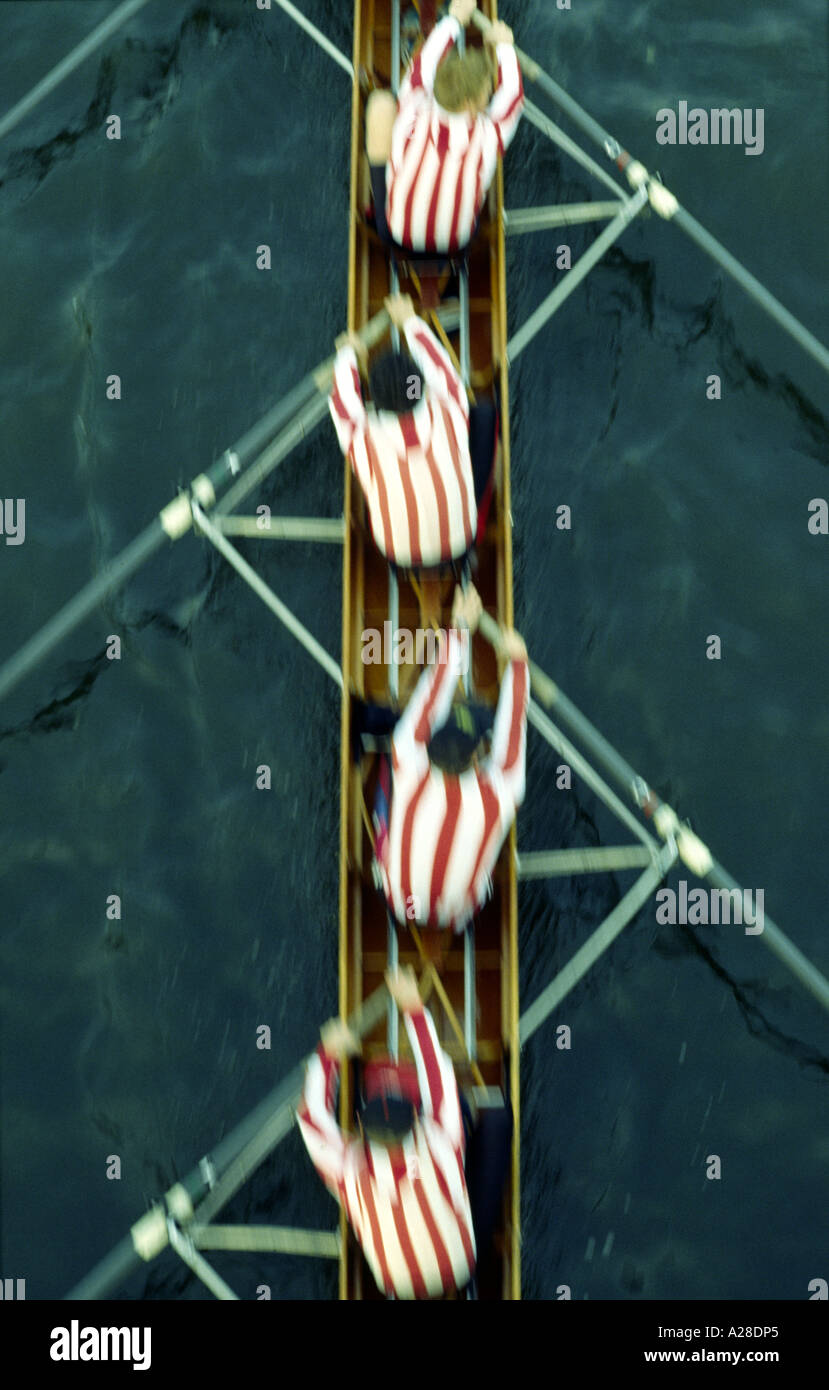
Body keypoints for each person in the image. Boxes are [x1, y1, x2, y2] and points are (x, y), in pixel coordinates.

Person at [296, 966, 476, 1300]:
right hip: (461, 1265)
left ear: (362, 1125)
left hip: (397, 1288)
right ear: (416, 1116)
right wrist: (413, 1006)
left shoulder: (348, 1169)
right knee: (495, 1119)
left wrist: (329, 1053)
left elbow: (310, 1115)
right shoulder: (440, 1139)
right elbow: (440, 1074)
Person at [376, 583, 528, 931]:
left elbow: (431, 696)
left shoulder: (405, 757)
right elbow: (513, 725)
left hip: (399, 904)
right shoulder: (502, 794)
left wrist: (459, 628)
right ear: (478, 754)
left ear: (427, 745)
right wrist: (518, 663)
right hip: (458, 917)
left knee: (387, 771)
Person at [330, 293, 497, 571]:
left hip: (396, 556)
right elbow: (440, 365)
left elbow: (341, 401)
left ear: (375, 403)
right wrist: (409, 320)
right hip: (463, 542)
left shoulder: (362, 437)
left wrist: (348, 353)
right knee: (484, 413)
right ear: (418, 384)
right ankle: (477, 525)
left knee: (360, 466)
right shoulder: (450, 406)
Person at [365, 0, 524, 256]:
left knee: (381, 104)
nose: (489, 94)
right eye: (486, 92)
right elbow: (513, 95)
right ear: (470, 103)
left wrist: (454, 19)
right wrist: (505, 45)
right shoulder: (490, 135)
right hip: (457, 245)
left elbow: (424, 64)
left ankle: (378, 204)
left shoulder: (413, 106)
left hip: (393, 234)